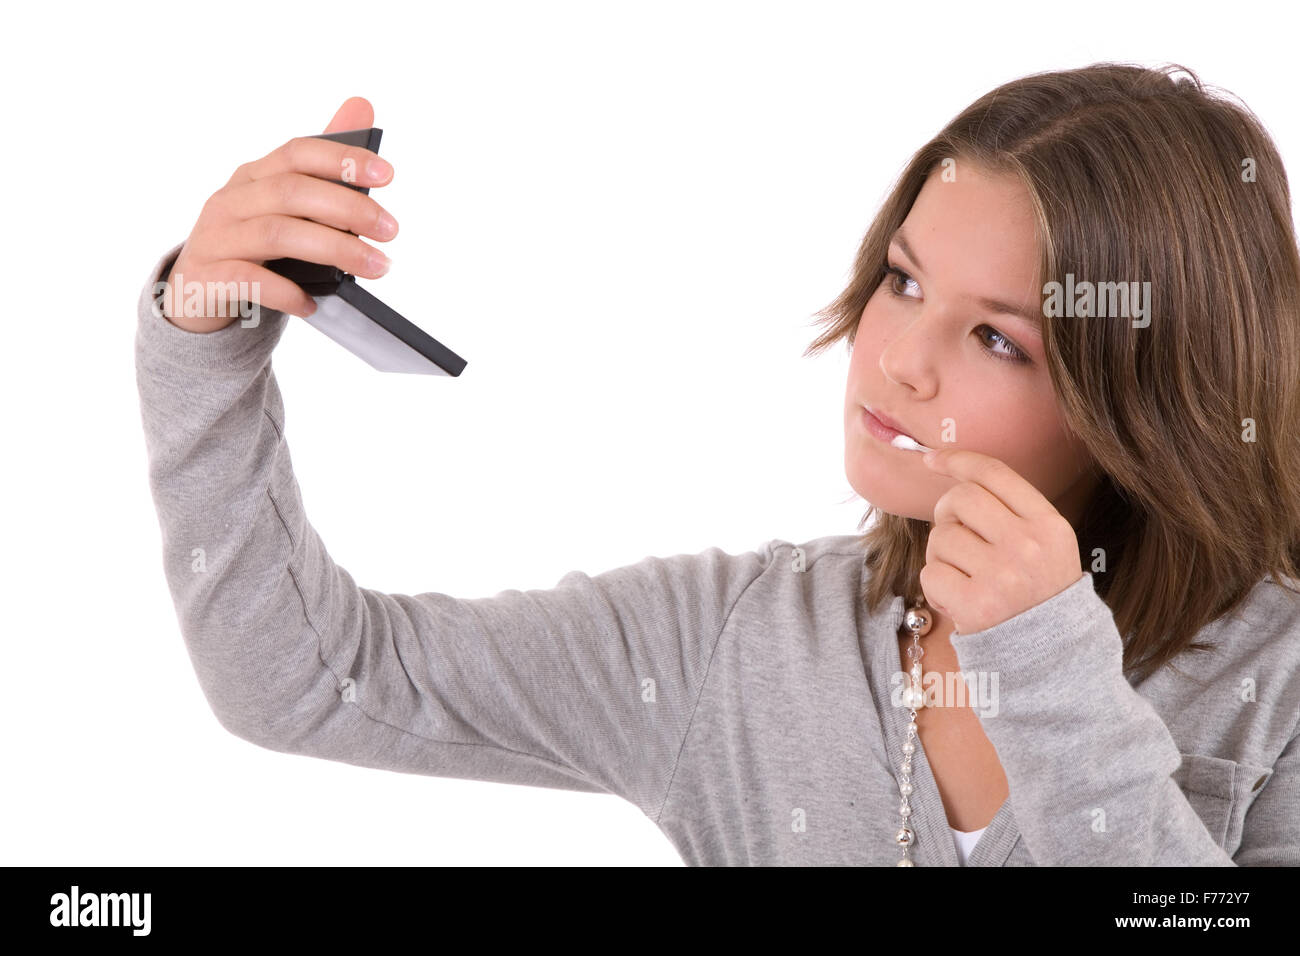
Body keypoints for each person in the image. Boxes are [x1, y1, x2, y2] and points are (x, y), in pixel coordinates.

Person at [136, 63, 1300, 866]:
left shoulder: (1279, 681)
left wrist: (1045, 668)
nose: (896, 360)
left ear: (1148, 399)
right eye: (902, 280)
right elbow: (305, 678)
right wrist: (203, 338)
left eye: (997, 337)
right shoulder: (737, 637)